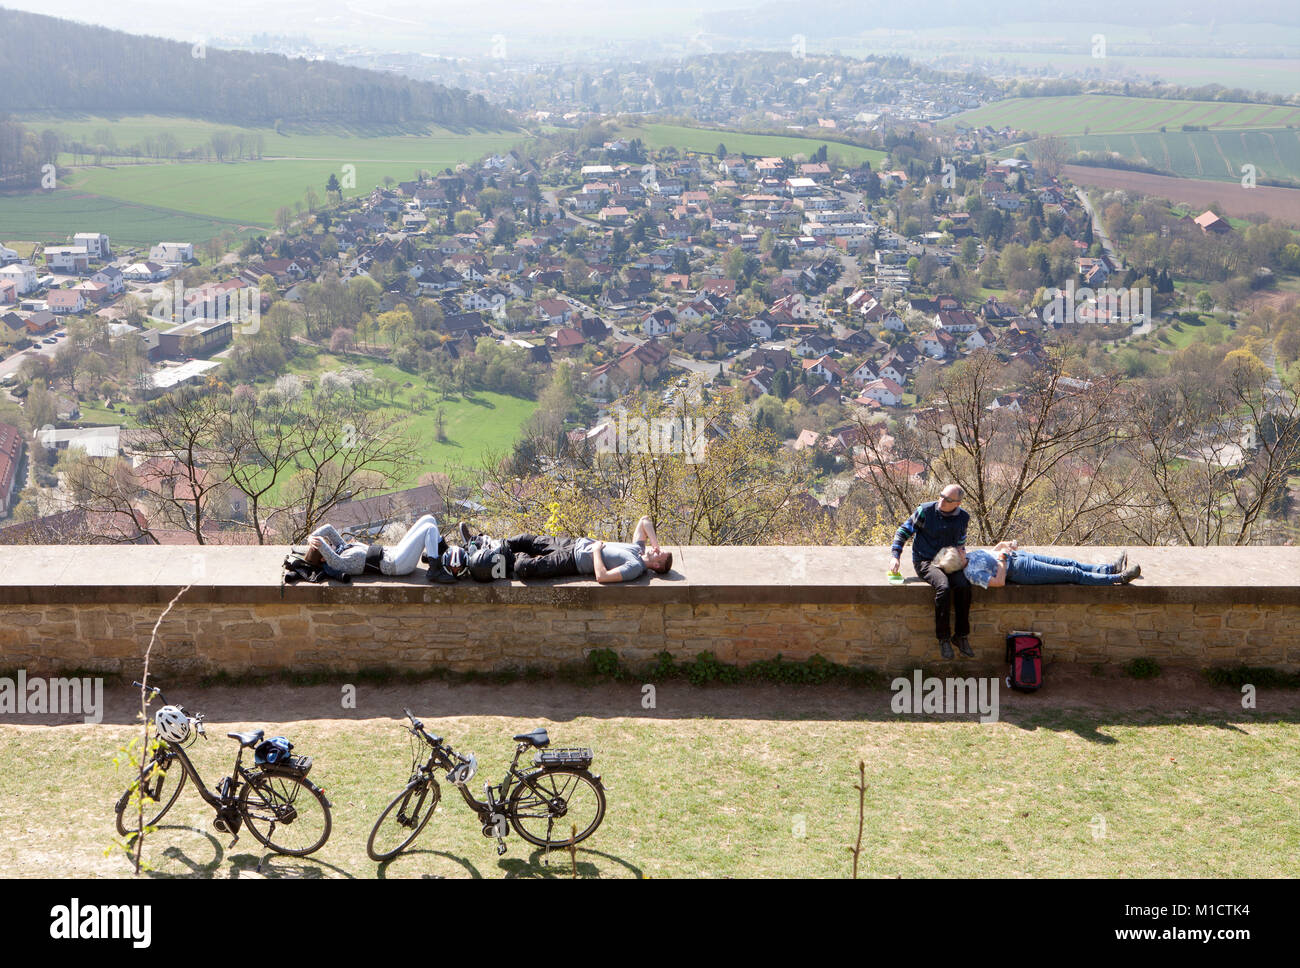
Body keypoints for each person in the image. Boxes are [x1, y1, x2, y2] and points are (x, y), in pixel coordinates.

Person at [889, 484, 972, 660]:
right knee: (944, 586)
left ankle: (961, 635)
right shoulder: (925, 511)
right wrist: (895, 555)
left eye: (948, 499)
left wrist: (961, 555)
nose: (942, 500)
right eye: (941, 495)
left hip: (948, 560)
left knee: (964, 586)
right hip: (925, 560)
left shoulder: (963, 517)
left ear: (957, 503)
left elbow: (961, 541)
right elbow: (903, 531)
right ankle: (943, 639)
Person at [462, 516, 672, 583]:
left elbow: (603, 577)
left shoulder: (635, 566)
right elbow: (645, 520)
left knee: (524, 567)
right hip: (572, 543)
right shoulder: (638, 549)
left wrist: (597, 550)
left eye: (658, 554)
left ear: (656, 565)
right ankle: (479, 544)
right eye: (658, 549)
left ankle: (493, 559)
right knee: (526, 539)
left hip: (573, 562)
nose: (657, 550)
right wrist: (654, 544)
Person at [304, 514, 458, 582]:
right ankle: (434, 570)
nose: (329, 545)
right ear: (324, 557)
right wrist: (315, 542)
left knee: (428, 518)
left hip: (394, 552)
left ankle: (441, 555)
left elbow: (329, 529)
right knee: (429, 528)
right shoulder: (338, 563)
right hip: (397, 565)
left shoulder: (341, 548)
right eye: (325, 548)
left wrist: (310, 536)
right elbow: (323, 545)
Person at [936, 542, 1140, 588]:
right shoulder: (971, 573)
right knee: (1071, 573)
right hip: (1022, 571)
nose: (962, 548)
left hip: (1021, 557)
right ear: (957, 560)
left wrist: (1002, 546)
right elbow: (998, 582)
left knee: (1071, 563)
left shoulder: (970, 557)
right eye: (959, 550)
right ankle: (1117, 579)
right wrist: (1002, 559)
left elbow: (992, 552)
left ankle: (1110, 569)